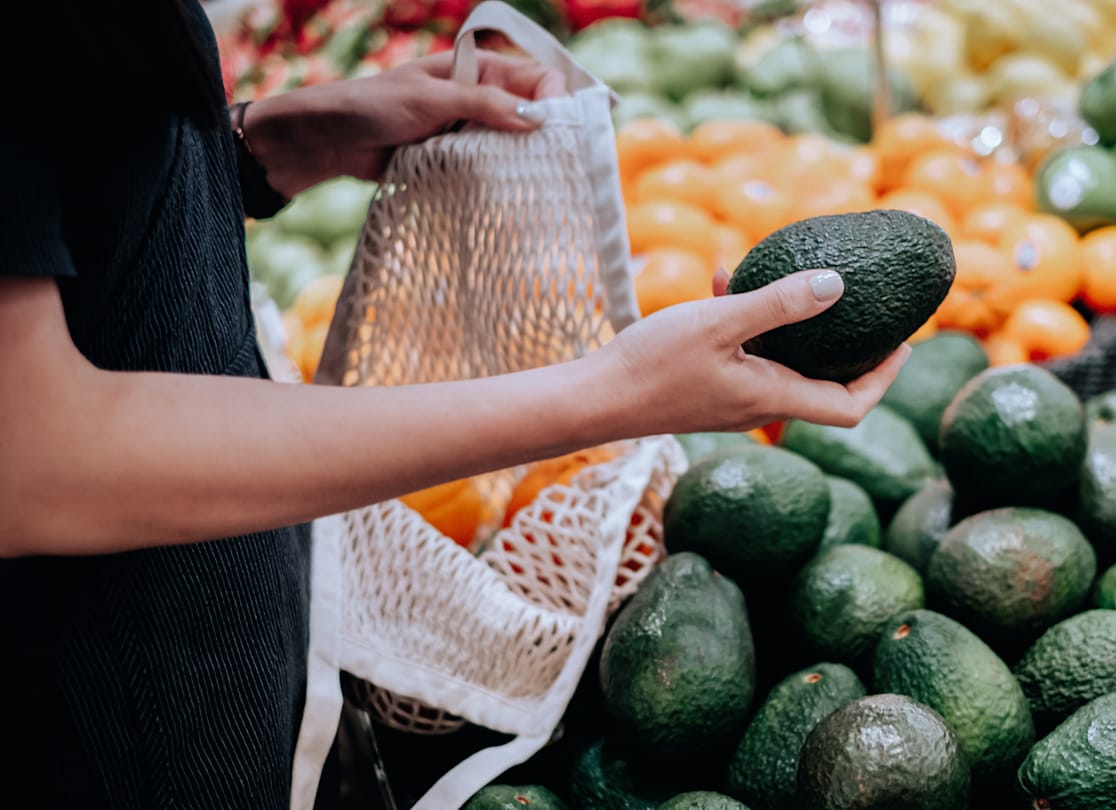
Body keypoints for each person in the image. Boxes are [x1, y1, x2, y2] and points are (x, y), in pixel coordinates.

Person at [0, 2, 906, 807]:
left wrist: (261, 146)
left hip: (194, 657)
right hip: (82, 716)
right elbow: (35, 460)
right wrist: (615, 393)